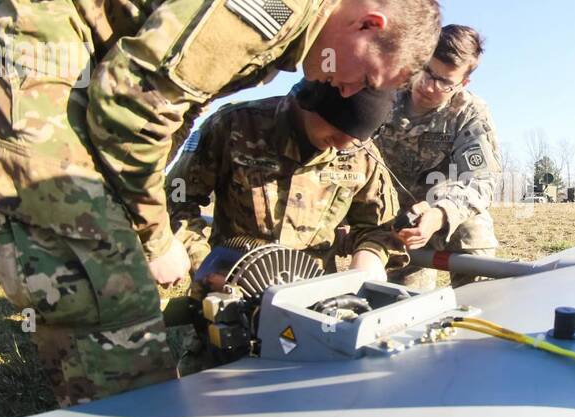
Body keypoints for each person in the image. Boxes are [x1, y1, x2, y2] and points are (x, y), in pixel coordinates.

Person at [0, 0, 439, 404]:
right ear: (369, 23)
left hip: (88, 62)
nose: (348, 94)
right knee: (103, 278)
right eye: (364, 79)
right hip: (48, 44)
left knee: (113, 270)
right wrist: (156, 237)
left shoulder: (290, 15)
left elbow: (164, 106)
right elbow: (133, 102)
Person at [166, 82, 404, 289]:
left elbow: (379, 226)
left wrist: (370, 254)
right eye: (340, 129)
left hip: (310, 305)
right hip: (225, 295)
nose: (343, 145)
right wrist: (205, 262)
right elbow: (176, 198)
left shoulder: (360, 153)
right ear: (312, 102)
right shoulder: (234, 125)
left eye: (357, 137)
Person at [374, 25, 501, 290]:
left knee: (475, 234)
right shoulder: (383, 92)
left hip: (446, 211)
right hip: (396, 219)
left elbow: (480, 181)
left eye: (444, 82)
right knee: (404, 303)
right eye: (428, 72)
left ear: (463, 83)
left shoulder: (469, 113)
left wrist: (440, 213)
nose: (429, 86)